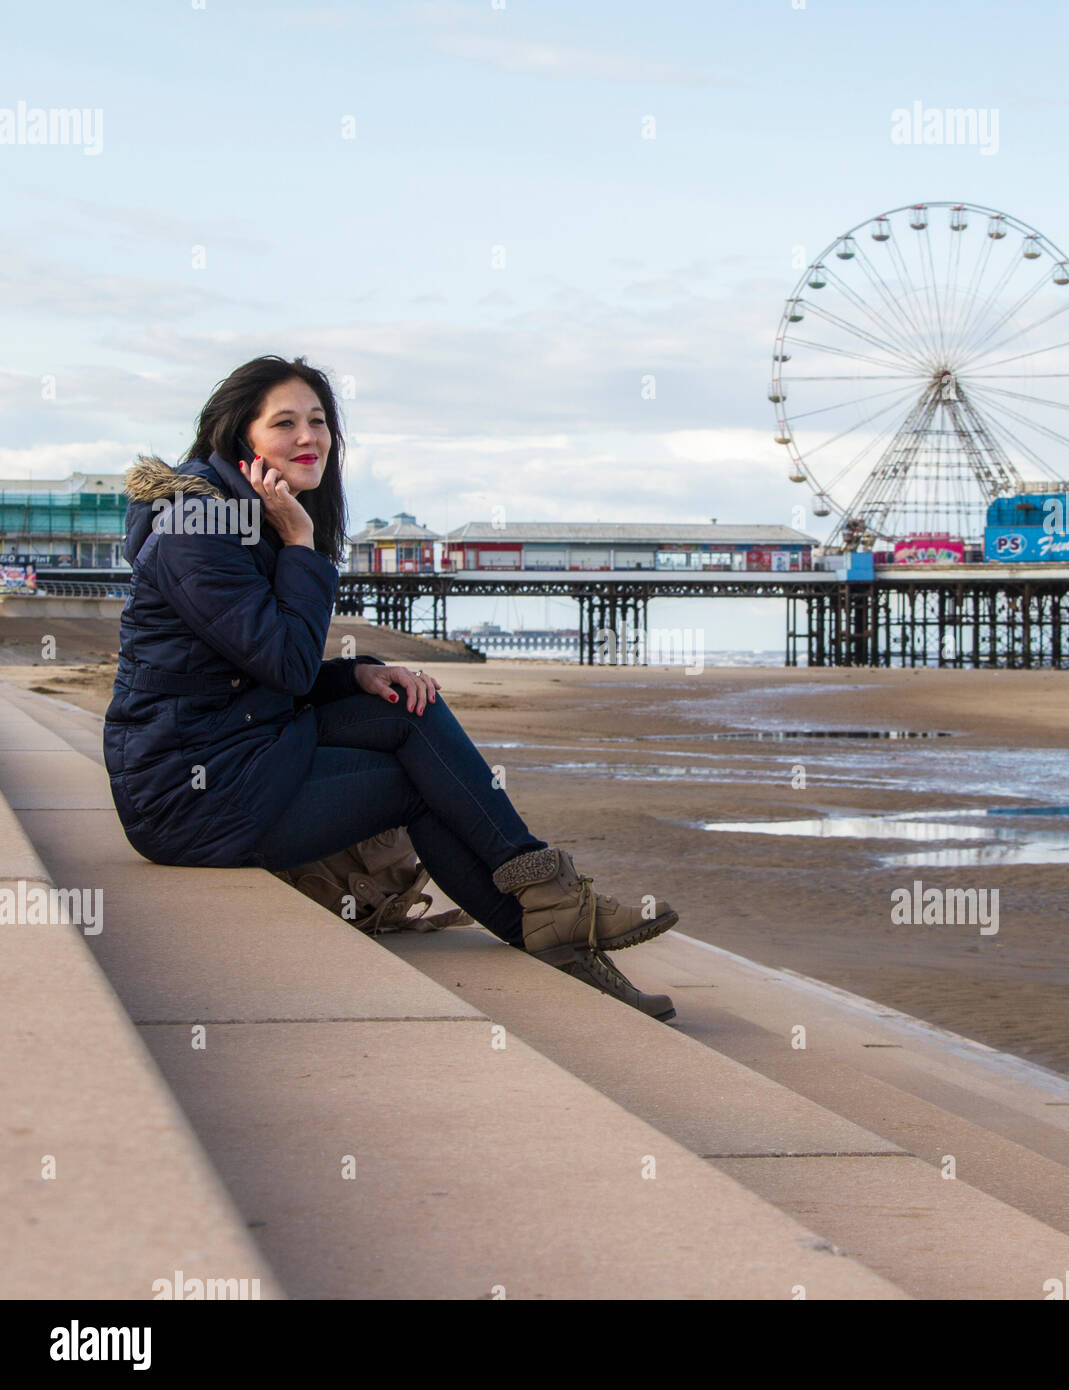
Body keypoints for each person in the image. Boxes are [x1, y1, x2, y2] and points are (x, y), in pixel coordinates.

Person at [102, 354, 678, 1020]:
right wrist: (300, 543)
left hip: (246, 742)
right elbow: (284, 666)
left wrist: (360, 672)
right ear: (242, 439)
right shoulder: (195, 528)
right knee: (418, 784)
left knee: (405, 703)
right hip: (188, 791)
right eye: (284, 423)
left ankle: (553, 907)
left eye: (318, 422)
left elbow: (262, 669)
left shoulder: (243, 512)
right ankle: (552, 920)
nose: (308, 438)